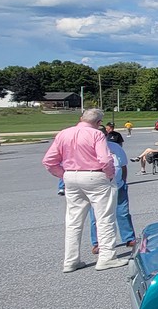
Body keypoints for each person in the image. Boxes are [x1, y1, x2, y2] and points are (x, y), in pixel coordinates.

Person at [41, 109, 127, 272]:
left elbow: (49, 161)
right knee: (104, 218)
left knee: (73, 220)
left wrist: (63, 175)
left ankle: (71, 260)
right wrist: (109, 175)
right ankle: (106, 257)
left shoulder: (63, 134)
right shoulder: (96, 135)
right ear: (99, 122)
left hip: (71, 176)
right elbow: (104, 159)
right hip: (95, 175)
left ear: (81, 118)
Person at [90, 131, 136, 255]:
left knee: (123, 212)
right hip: (98, 188)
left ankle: (129, 238)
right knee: (96, 216)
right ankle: (97, 243)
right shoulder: (89, 149)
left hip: (118, 185)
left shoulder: (115, 147)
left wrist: (123, 181)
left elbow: (123, 165)